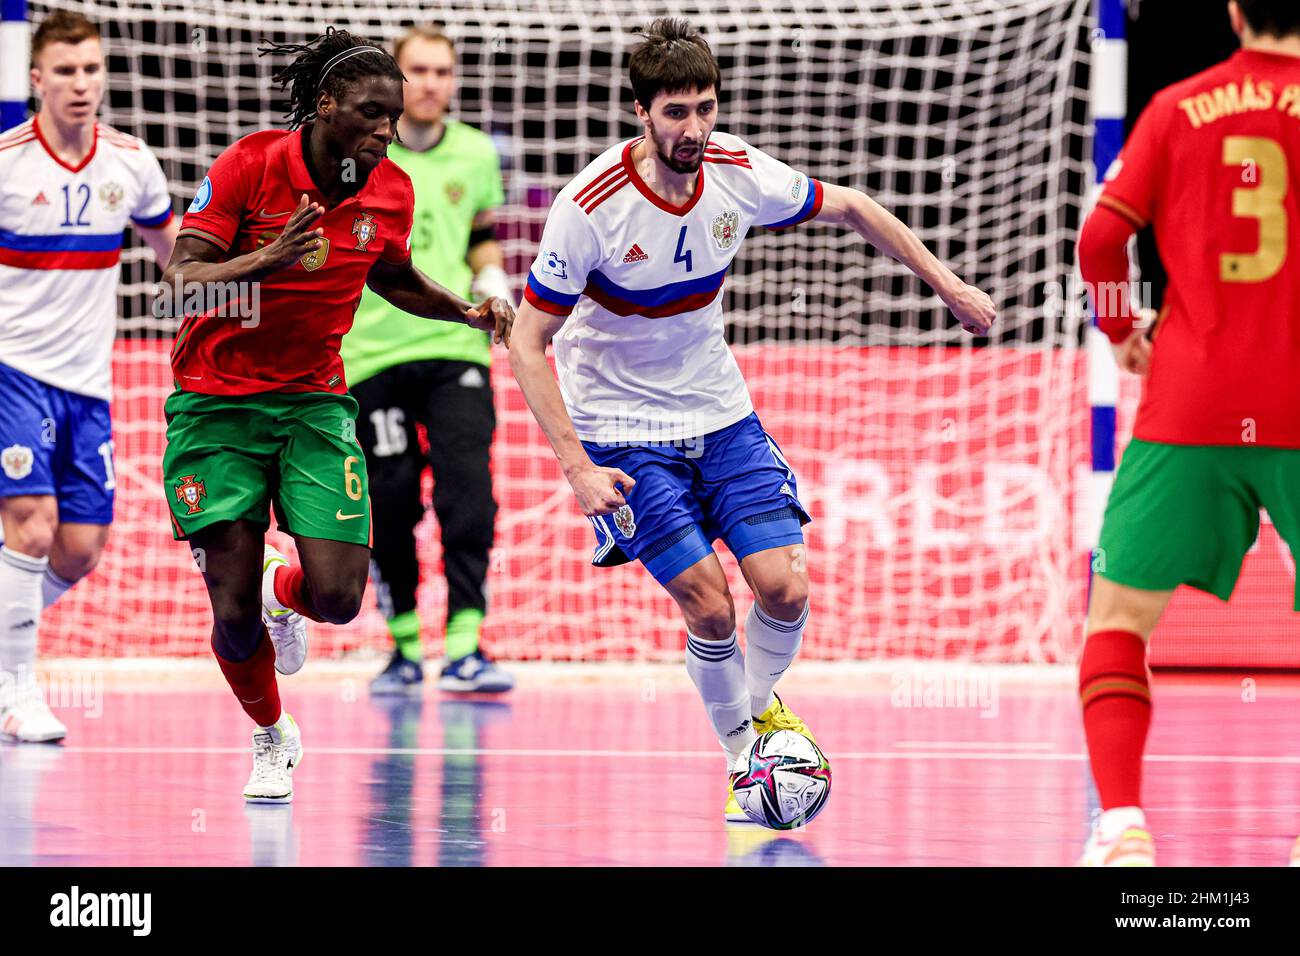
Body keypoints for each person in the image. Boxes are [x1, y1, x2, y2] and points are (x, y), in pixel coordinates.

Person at [509, 18, 995, 821]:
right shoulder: (588, 208)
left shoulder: (735, 170)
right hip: (619, 426)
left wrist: (948, 284)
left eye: (704, 107)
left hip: (720, 411)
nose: (693, 127)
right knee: (708, 601)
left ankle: (758, 719)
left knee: (784, 589)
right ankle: (745, 757)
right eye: (675, 112)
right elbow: (529, 344)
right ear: (641, 112)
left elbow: (853, 206)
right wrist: (578, 469)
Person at [161, 28, 512, 803]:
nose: (387, 131)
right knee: (228, 612)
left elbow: (392, 274)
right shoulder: (249, 165)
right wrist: (262, 261)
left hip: (314, 404)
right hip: (216, 404)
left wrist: (464, 312)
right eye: (371, 114)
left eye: (392, 119)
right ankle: (270, 735)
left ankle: (279, 590)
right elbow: (179, 282)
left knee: (338, 598)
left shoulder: (390, 188)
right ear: (326, 106)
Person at [1078, 0, 1300, 866]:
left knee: (1121, 618)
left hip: (1193, 402)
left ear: (1237, 10)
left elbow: (1101, 236)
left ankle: (1124, 827)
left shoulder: (1179, 105)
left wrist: (1119, 329)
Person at [0, 11, 177, 742]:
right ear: (36, 79)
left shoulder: (130, 163)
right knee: (32, 529)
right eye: (65, 71)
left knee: (81, 547)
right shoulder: (6, 162)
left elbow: (180, 262)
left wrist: (255, 304)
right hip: (12, 369)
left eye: (91, 70)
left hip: (88, 384)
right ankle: (19, 691)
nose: (81, 84)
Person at [342, 26, 513, 696]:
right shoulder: (357, 156)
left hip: (453, 343)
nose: (433, 83)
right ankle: (405, 647)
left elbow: (481, 240)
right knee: (387, 500)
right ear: (394, 79)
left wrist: (494, 285)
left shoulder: (475, 154)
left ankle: (467, 645)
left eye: (443, 71)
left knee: (468, 496)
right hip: (373, 352)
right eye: (419, 71)